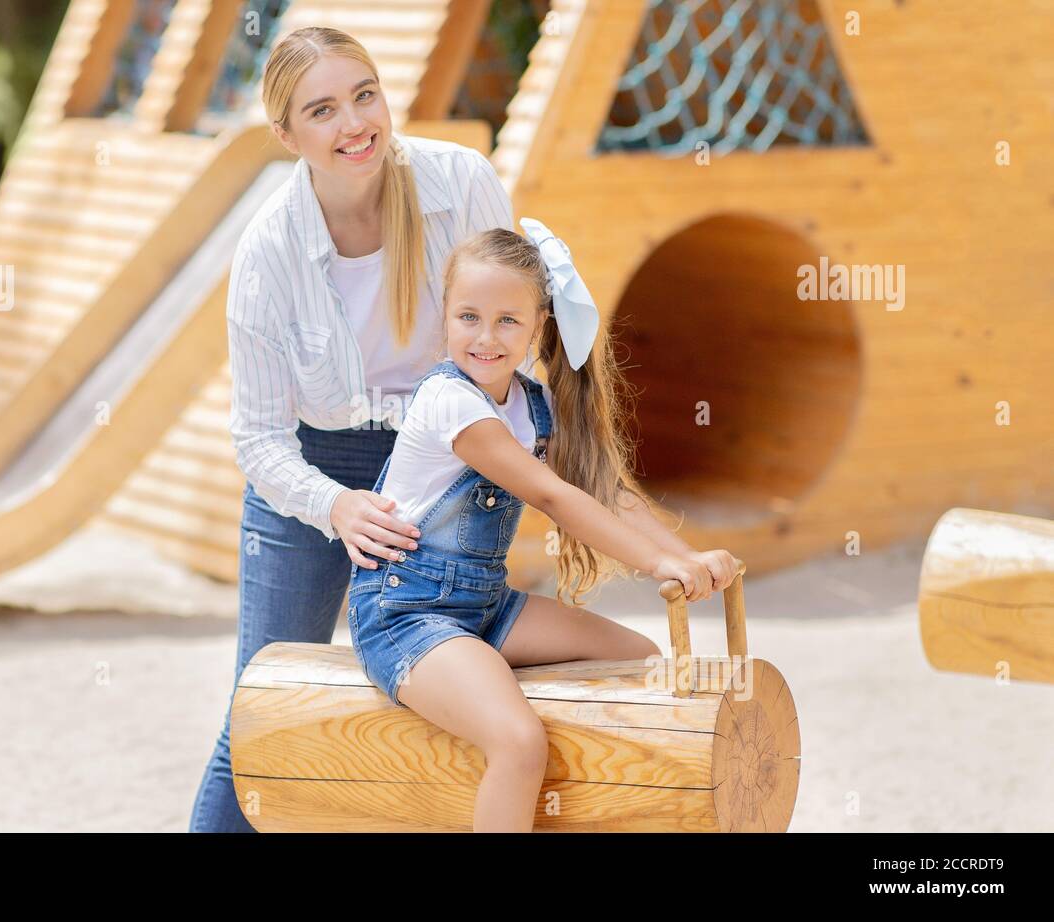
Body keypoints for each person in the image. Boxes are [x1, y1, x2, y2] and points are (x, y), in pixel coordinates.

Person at [190, 25, 521, 832]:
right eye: (324, 109)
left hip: (437, 460)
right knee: (260, 712)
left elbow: (513, 324)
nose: (355, 124)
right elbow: (260, 439)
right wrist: (335, 506)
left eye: (364, 95)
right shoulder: (268, 250)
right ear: (286, 135)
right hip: (312, 466)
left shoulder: (461, 183)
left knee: (450, 683)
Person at [345, 219, 739, 832]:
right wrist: (657, 565)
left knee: (639, 658)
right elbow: (554, 497)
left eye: (508, 320)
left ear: (538, 326)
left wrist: (686, 556)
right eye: (469, 316)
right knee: (518, 741)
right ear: (445, 317)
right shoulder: (449, 401)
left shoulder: (534, 404)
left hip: (484, 606)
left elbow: (606, 488)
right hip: (406, 611)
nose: (486, 336)